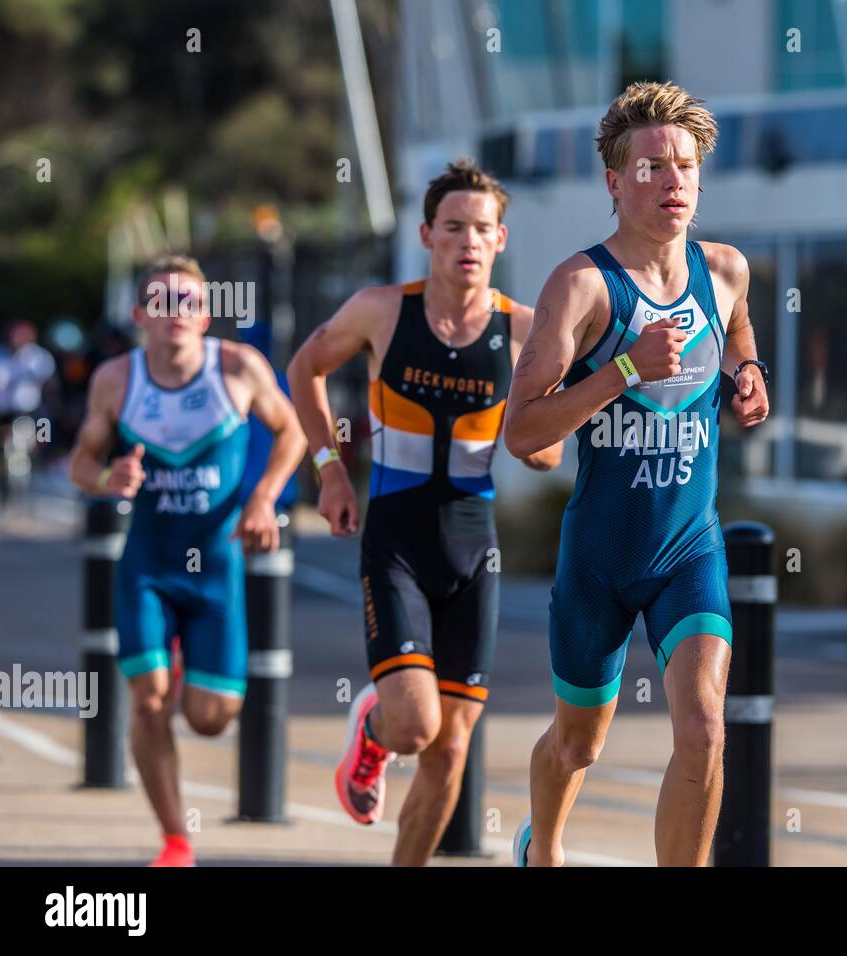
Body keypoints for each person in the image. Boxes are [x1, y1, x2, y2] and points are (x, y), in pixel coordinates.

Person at [503, 81, 770, 866]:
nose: (673, 182)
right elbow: (523, 430)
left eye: (685, 166)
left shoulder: (725, 271)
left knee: (705, 731)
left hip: (689, 549)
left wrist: (748, 372)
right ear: (614, 183)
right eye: (652, 167)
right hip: (599, 559)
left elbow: (740, 329)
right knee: (578, 746)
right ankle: (542, 846)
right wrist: (621, 368)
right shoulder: (579, 286)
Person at [287, 159, 562, 866]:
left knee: (453, 749)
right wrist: (330, 473)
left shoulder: (527, 330)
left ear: (501, 240)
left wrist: (537, 450)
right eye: (452, 227)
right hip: (397, 545)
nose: (467, 241)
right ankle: (374, 733)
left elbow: (549, 448)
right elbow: (305, 368)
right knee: (415, 726)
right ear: (425, 234)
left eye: (481, 229)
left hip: (476, 550)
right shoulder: (382, 310)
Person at [67, 254, 307, 866]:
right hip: (147, 566)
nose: (176, 313)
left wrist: (261, 497)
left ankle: (187, 675)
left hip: (217, 572)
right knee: (147, 703)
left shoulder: (238, 368)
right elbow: (79, 464)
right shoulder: (116, 380)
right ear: (139, 315)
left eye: (189, 303)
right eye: (163, 302)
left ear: (205, 316)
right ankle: (176, 840)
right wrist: (107, 477)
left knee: (208, 718)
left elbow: (294, 432)